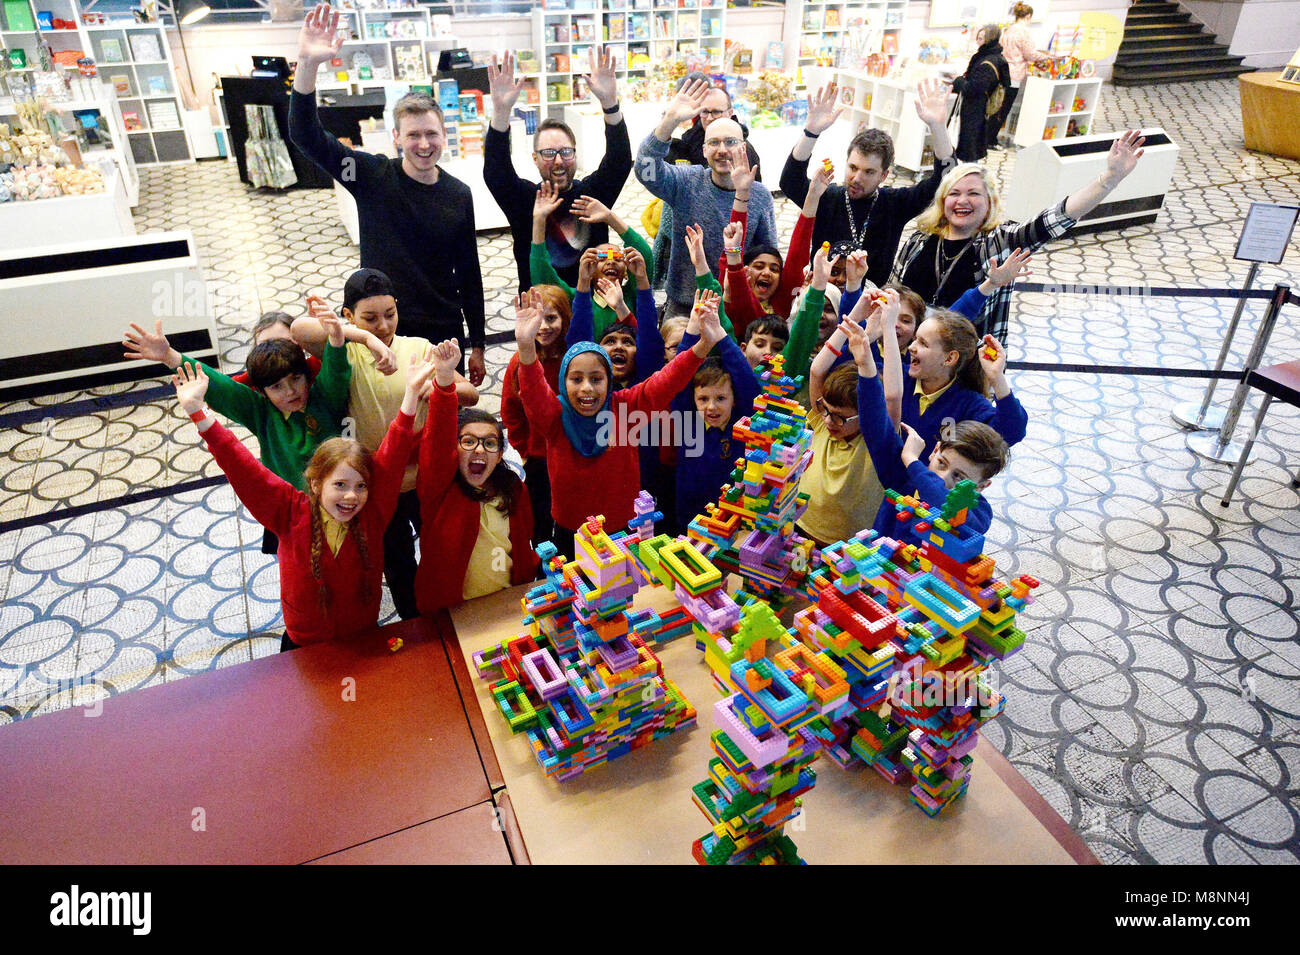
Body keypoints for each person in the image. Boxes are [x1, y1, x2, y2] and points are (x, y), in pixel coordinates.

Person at [171, 352, 434, 649]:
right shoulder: (288, 512)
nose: (351, 495)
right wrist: (198, 413)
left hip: (363, 634)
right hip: (305, 642)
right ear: (314, 483)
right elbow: (241, 466)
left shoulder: (374, 510)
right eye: (339, 484)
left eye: (361, 486)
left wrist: (411, 393)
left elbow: (394, 451)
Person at [287, 3, 486, 385]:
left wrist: (477, 343)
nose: (423, 144)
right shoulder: (371, 175)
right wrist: (308, 65)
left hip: (442, 332)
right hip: (383, 330)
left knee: (443, 424)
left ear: (444, 136)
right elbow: (306, 136)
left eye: (431, 134)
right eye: (413, 135)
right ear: (396, 139)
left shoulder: (458, 194)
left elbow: (470, 272)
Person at [291, 268, 474, 621]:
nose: (384, 326)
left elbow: (470, 393)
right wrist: (365, 339)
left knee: (441, 548)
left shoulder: (418, 348)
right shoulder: (345, 351)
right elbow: (299, 329)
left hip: (426, 479)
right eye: (370, 318)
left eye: (390, 315)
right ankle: (412, 622)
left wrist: (439, 385)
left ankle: (448, 613)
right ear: (349, 317)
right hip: (377, 483)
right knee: (395, 559)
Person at [124, 301, 354, 556]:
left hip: (345, 505)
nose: (289, 392)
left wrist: (334, 334)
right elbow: (223, 388)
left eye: (295, 379)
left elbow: (337, 367)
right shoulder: (262, 413)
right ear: (262, 389)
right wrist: (169, 356)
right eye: (276, 386)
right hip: (295, 518)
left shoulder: (324, 395)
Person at [513, 287, 725, 559]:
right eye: (576, 379)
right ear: (563, 383)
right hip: (572, 533)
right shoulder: (553, 415)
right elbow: (531, 389)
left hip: (624, 531)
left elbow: (666, 380)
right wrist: (525, 345)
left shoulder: (625, 407)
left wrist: (703, 345)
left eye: (597, 379)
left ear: (609, 381)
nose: (587, 389)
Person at [892, 133, 1147, 343]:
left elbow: (1055, 219)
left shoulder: (1000, 242)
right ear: (942, 200)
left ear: (990, 202)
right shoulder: (920, 240)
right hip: (908, 357)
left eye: (973, 194)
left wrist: (1109, 180)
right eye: (954, 193)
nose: (962, 201)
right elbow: (893, 293)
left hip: (962, 367)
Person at [842, 317, 1009, 548]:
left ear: (981, 487)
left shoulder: (977, 513)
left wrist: (912, 461)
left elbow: (941, 498)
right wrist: (865, 367)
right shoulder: (904, 479)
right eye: (942, 464)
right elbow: (876, 429)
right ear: (934, 451)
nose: (942, 478)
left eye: (959, 478)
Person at [779, 79, 956, 289]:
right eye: (853, 167)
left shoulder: (894, 204)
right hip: (823, 293)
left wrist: (937, 127)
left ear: (884, 175)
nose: (857, 178)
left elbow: (946, 180)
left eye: (869, 172)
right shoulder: (828, 197)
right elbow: (790, 181)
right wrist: (811, 133)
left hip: (870, 299)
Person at [487, 48, 631, 292]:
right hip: (542, 311)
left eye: (565, 152)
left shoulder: (591, 196)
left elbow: (619, 160)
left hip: (592, 305)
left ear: (575, 154)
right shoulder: (525, 200)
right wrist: (501, 113)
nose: (558, 161)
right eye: (548, 153)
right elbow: (496, 171)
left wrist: (610, 104)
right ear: (534, 158)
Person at [636, 78, 778, 319]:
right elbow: (646, 171)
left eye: (730, 142)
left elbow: (768, 255)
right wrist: (669, 120)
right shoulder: (685, 182)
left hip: (737, 307)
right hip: (684, 306)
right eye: (714, 142)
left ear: (743, 147)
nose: (722, 150)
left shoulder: (760, 196)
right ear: (704, 150)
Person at [414, 339, 539, 614]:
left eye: (490, 443)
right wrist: (445, 381)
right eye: (468, 441)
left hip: (507, 604)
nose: (480, 449)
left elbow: (521, 544)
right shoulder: (440, 490)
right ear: (453, 450)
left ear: (500, 453)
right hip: (453, 612)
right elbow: (436, 443)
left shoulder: (514, 490)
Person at [668, 290, 760, 533]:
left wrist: (721, 336)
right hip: (689, 520)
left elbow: (750, 386)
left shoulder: (742, 426)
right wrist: (691, 329)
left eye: (720, 398)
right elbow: (678, 378)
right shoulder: (689, 422)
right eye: (703, 398)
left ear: (733, 400)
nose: (711, 406)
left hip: (733, 523)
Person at [530, 186, 653, 339]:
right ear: (591, 271)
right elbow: (542, 275)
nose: (610, 262)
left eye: (617, 258)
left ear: (627, 271)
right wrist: (539, 221)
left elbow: (645, 256)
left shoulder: (632, 295)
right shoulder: (576, 298)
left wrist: (610, 217)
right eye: (601, 258)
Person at [500, 284, 571, 548]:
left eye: (551, 318)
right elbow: (510, 411)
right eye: (537, 320)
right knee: (539, 513)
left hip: (568, 451)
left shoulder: (573, 357)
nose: (543, 327)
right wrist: (523, 450)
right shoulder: (519, 362)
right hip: (537, 457)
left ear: (565, 318)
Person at [990, 3, 1053, 148]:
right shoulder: (1023, 33)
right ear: (1028, 16)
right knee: (1004, 109)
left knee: (996, 106)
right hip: (1015, 74)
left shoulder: (1008, 30)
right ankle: (991, 140)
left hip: (1002, 71)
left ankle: (988, 138)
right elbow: (1030, 54)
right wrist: (1048, 57)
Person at [951, 24, 1011, 163]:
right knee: (970, 148)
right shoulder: (993, 57)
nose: (977, 41)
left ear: (989, 40)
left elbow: (972, 89)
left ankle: (968, 178)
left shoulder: (987, 62)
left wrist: (958, 80)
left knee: (969, 149)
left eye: (980, 38)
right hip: (979, 109)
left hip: (975, 110)